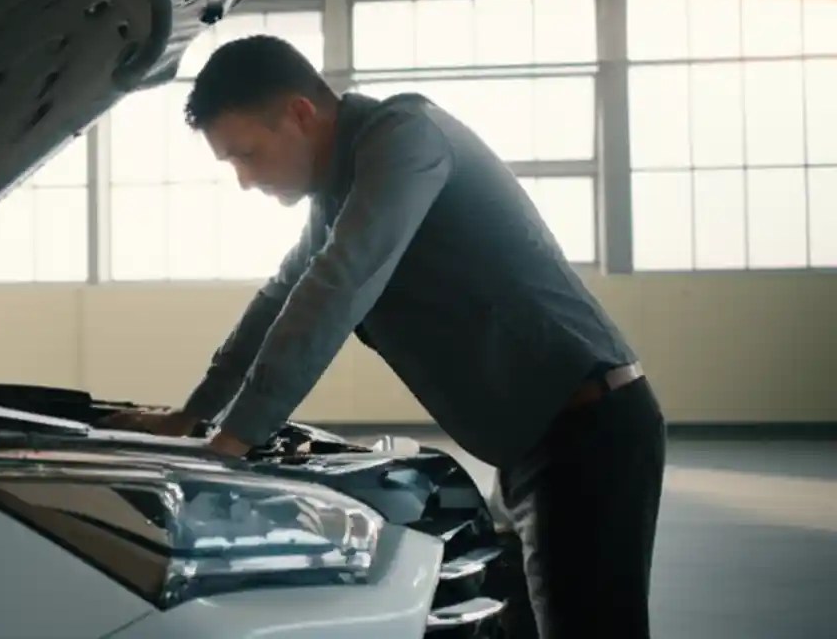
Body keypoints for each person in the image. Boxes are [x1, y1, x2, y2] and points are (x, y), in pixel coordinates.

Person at [102, 34, 666, 638]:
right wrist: (193, 416)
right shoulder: (336, 195)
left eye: (247, 154)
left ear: (300, 113)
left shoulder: (406, 138)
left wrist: (234, 442)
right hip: (532, 447)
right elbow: (279, 300)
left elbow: (336, 288)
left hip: (590, 435)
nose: (244, 180)